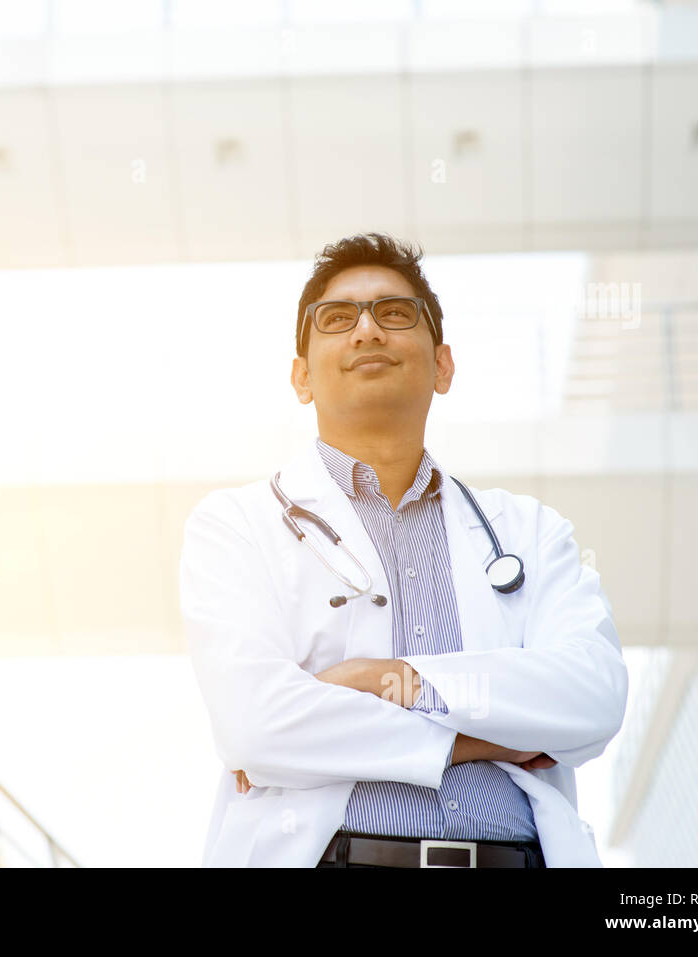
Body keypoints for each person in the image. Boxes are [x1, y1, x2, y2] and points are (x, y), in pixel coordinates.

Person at [178, 233, 628, 868]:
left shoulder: (530, 531)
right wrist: (482, 737)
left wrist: (391, 682)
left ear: (443, 366)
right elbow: (257, 725)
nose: (367, 330)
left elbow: (592, 695)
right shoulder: (237, 526)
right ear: (301, 377)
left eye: (394, 313)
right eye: (337, 319)